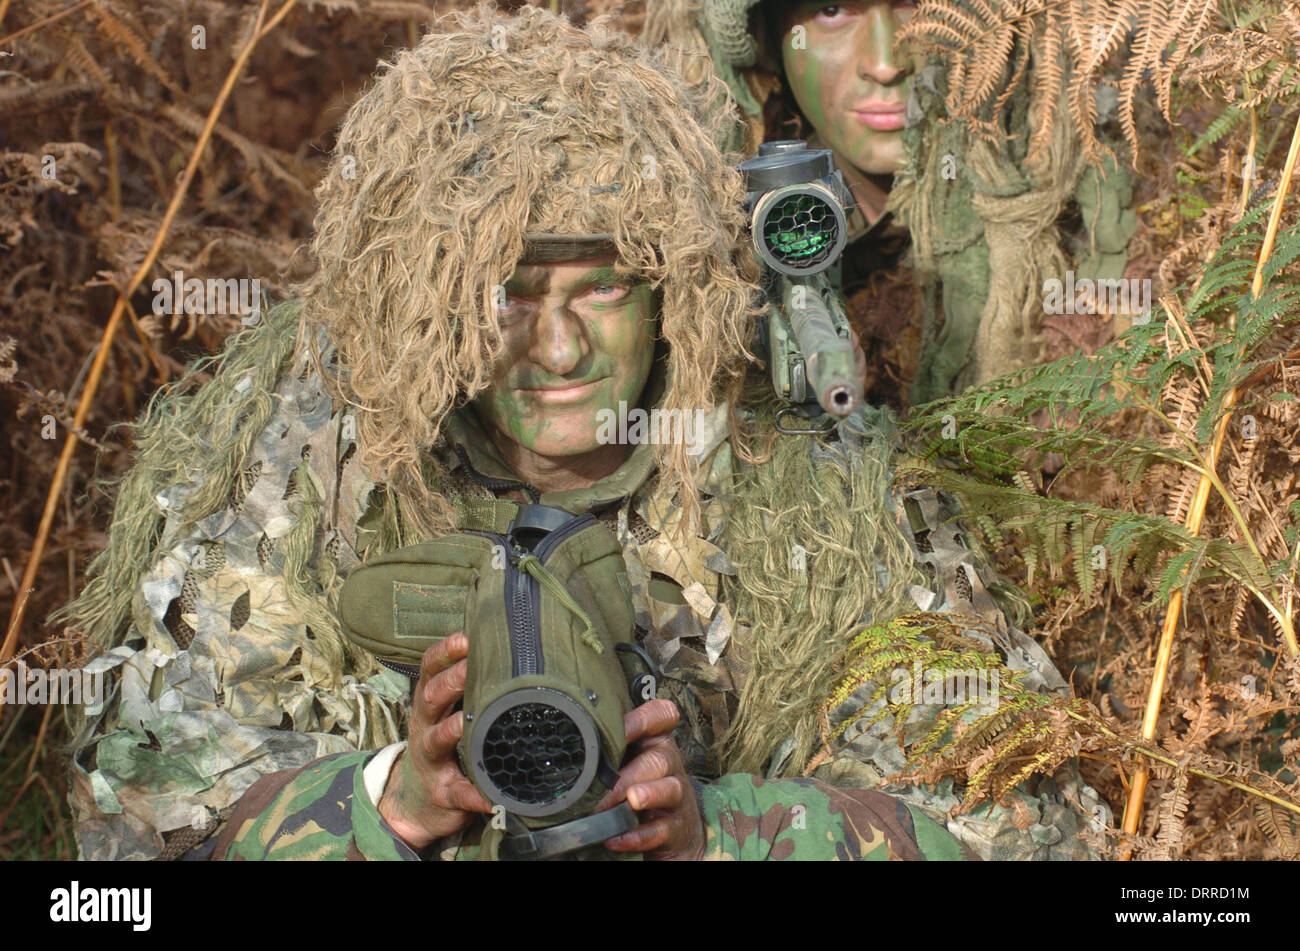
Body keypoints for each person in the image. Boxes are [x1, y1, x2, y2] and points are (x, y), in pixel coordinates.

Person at [59, 3, 1103, 862]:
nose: (557, 351)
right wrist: (389, 807)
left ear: (676, 294)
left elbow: (1025, 826)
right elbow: (124, 856)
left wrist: (719, 836)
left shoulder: (811, 496)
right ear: (425, 301)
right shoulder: (323, 478)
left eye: (603, 285)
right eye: (509, 295)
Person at [643, 0, 1139, 406]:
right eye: (832, 10)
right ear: (769, 40)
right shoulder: (692, 231)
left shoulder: (1085, 213)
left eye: (913, 6)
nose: (885, 62)